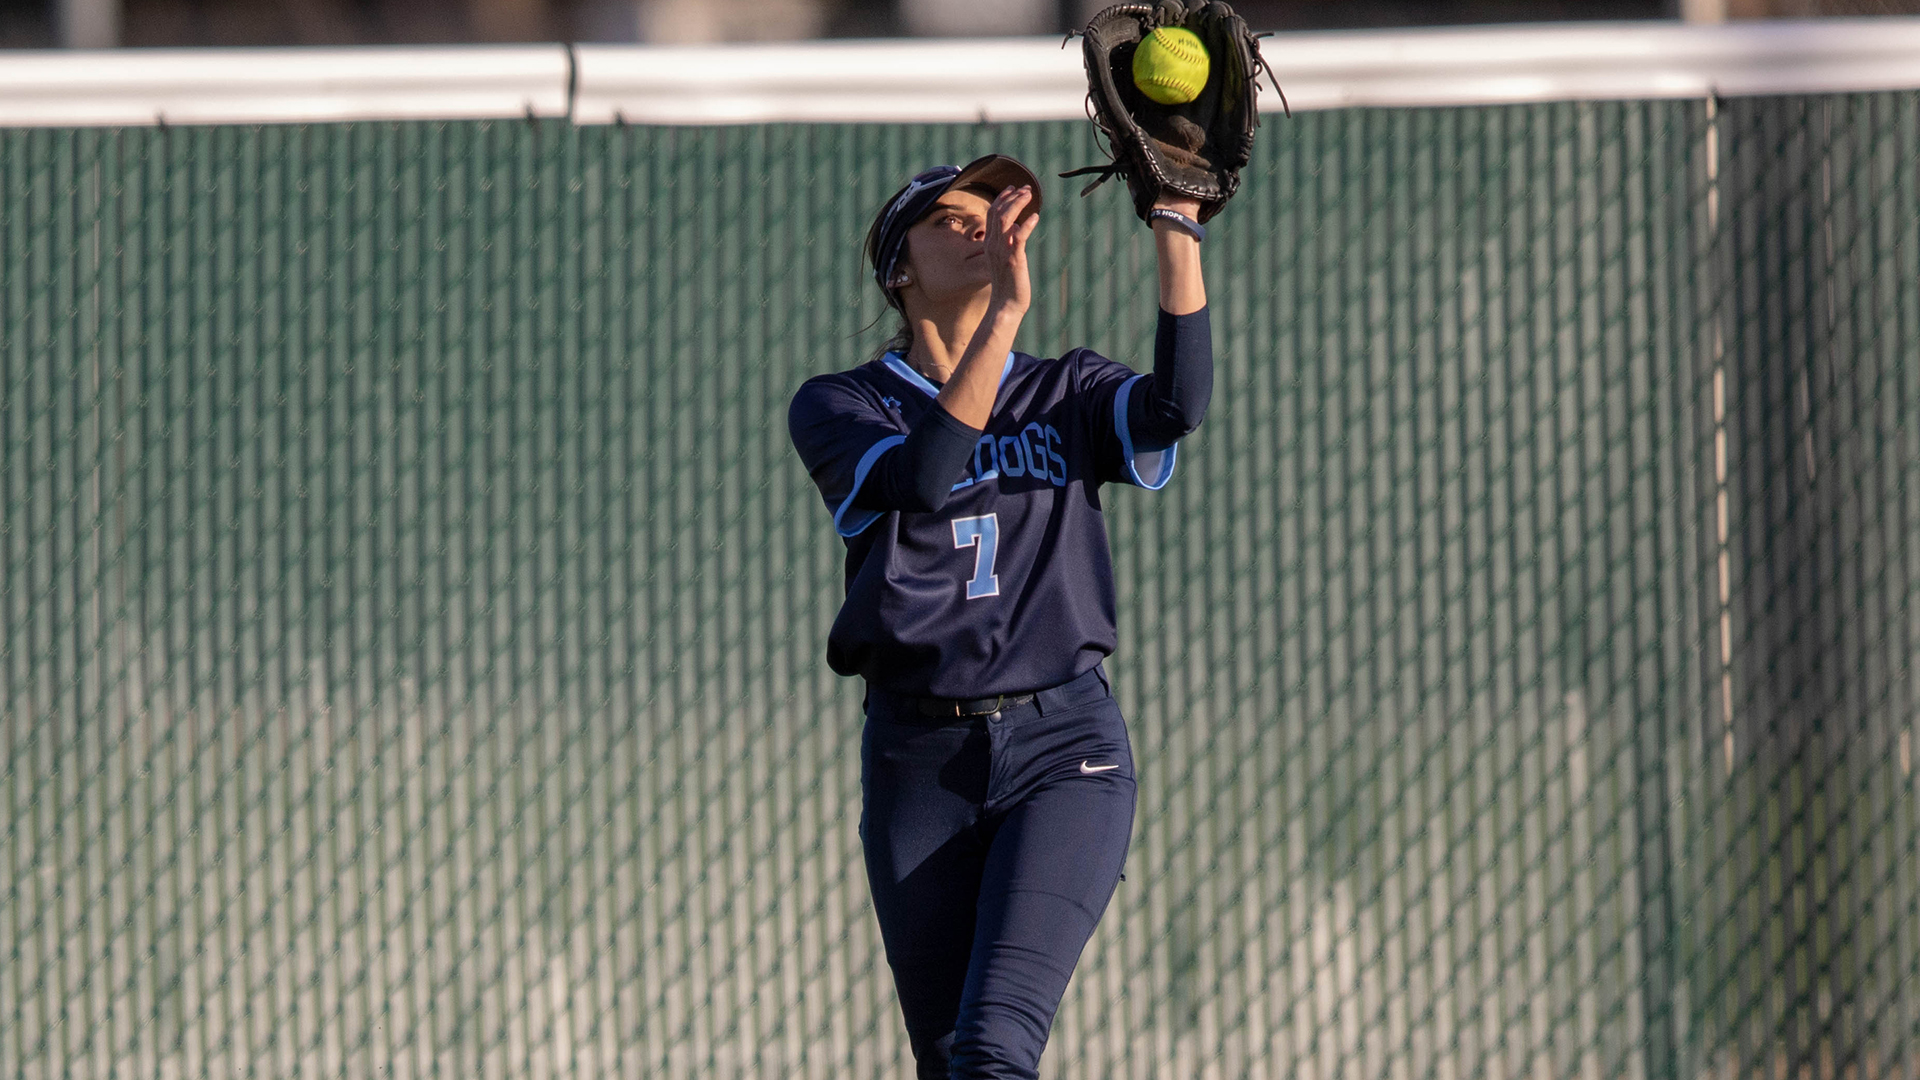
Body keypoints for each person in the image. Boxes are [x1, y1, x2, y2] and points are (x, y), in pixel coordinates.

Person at [786, 153, 1212, 1079]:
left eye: (990, 210)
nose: (979, 223)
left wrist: (1178, 226)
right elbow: (927, 476)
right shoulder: (840, 404)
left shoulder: (1065, 390)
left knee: (992, 1049)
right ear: (899, 270)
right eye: (948, 216)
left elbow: (1178, 405)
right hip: (918, 766)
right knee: (949, 1063)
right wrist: (1007, 317)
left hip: (1066, 751)